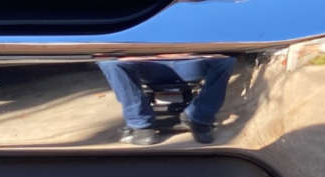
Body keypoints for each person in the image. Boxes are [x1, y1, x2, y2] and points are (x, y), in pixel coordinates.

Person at [98, 56, 235, 145]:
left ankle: (199, 116)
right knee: (109, 63)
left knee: (225, 61)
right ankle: (140, 123)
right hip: (147, 64)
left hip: (190, 62)